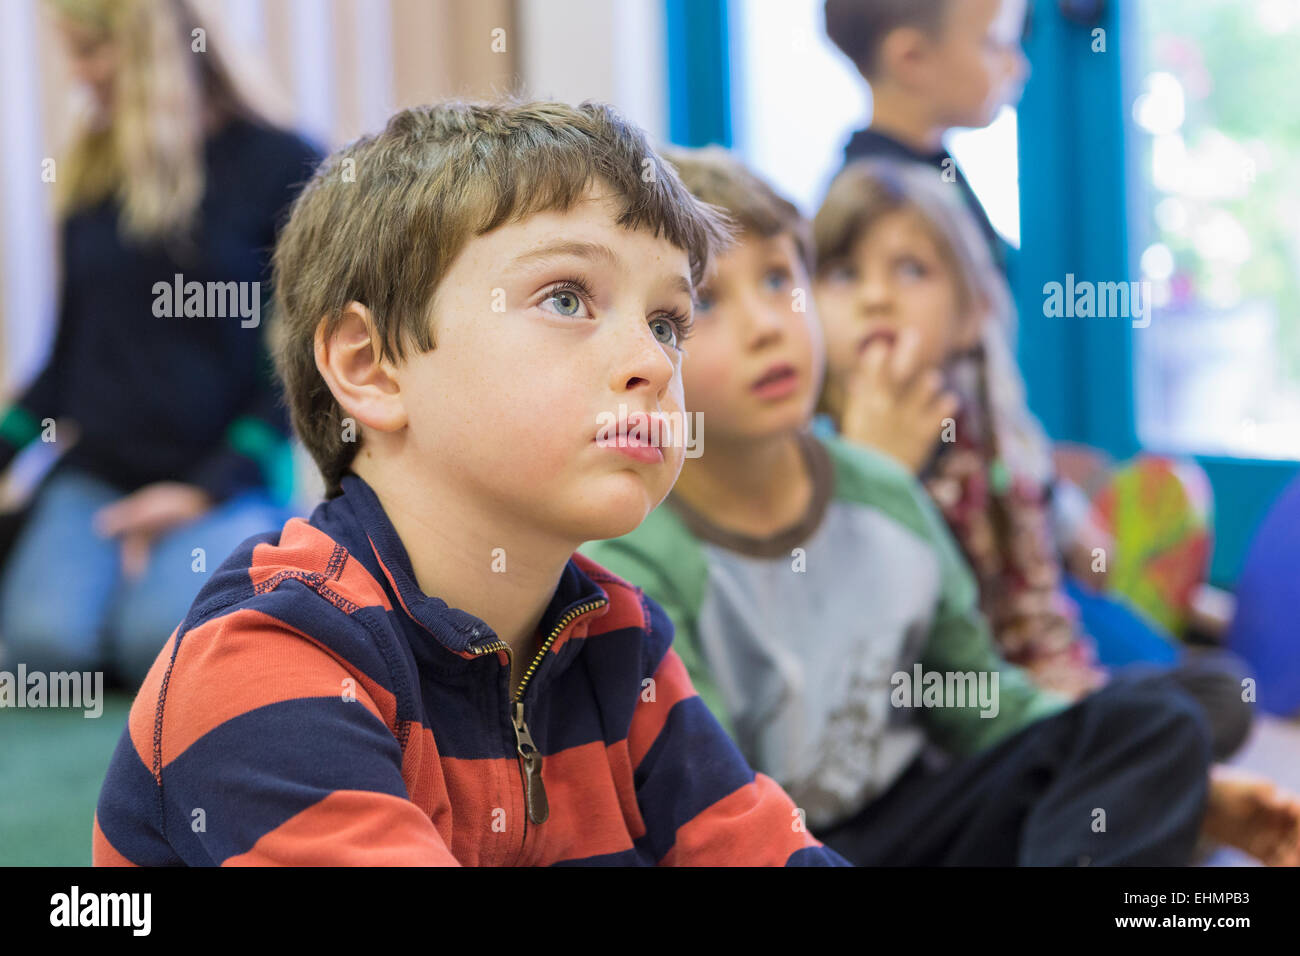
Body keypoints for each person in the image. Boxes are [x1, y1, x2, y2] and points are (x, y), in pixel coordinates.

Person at [92, 98, 851, 866]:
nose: (654, 363)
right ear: (369, 366)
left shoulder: (621, 643)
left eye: (667, 321)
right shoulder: (266, 659)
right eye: (567, 298)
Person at [582, 146, 1300, 866]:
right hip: (777, 845)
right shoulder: (636, 553)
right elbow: (704, 804)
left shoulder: (884, 492)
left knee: (1158, 723)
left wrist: (1165, 775)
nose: (767, 324)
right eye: (706, 301)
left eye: (779, 278)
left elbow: (986, 701)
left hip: (918, 814)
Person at [0, 0, 322, 687]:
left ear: (146, 51)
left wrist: (201, 492)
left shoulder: (284, 165)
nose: (79, 74)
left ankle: (237, 564)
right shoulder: (94, 174)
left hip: (222, 481)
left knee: (158, 642)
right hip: (99, 476)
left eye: (90, 52)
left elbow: (300, 372)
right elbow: (65, 363)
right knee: (42, 651)